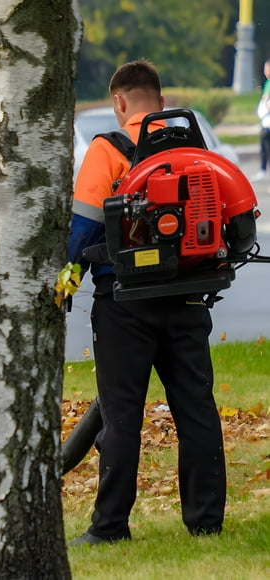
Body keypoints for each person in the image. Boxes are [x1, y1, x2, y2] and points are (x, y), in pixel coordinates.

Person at [68, 60, 226, 545]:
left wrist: (64, 282)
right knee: (197, 410)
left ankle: (110, 526)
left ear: (119, 102)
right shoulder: (194, 150)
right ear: (160, 101)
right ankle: (205, 524)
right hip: (186, 298)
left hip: (123, 303)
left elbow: (85, 228)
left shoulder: (107, 150)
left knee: (121, 418)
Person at [252, 59, 270, 183]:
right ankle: (263, 170)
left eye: (267, 68)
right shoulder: (267, 83)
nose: (265, 71)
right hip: (265, 122)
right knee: (264, 148)